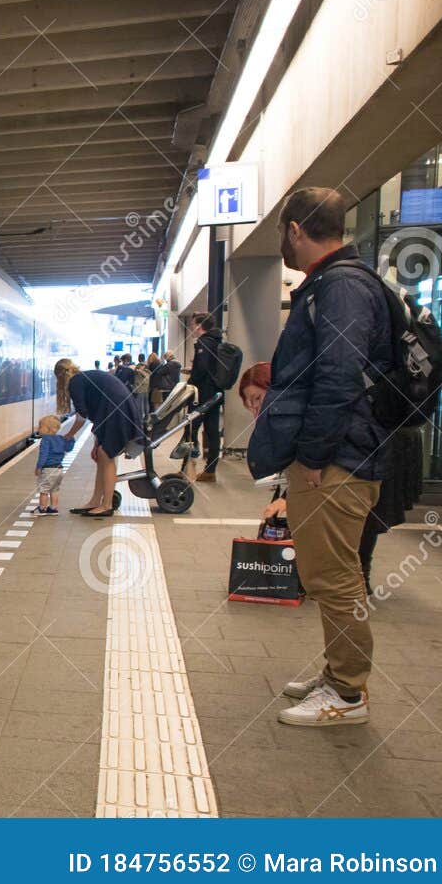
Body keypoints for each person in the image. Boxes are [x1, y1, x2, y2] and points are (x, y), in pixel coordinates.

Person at [247, 186, 394, 728]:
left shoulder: (341, 288)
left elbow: (337, 376)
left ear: (294, 229)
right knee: (330, 571)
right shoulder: (337, 284)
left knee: (333, 577)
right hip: (341, 454)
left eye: (282, 233)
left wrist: (311, 454)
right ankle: (337, 676)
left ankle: (348, 695)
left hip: (337, 460)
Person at [55, 358, 138, 517]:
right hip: (115, 412)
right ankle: (95, 501)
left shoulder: (75, 382)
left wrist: (68, 435)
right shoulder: (84, 378)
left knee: (106, 456)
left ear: (59, 376)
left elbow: (82, 415)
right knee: (100, 454)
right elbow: (96, 414)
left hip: (117, 414)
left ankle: (106, 505)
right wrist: (96, 443)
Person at [187, 314, 225, 483]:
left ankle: (187, 468)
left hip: (203, 394)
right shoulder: (217, 341)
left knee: (190, 428)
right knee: (212, 431)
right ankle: (210, 470)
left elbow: (201, 369)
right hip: (215, 393)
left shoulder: (204, 342)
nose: (191, 329)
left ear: (199, 325)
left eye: (193, 325)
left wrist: (190, 382)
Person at [33, 414, 73, 515]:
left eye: (40, 426)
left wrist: (39, 467)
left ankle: (42, 508)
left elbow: (43, 455)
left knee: (44, 490)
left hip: (48, 470)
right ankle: (53, 508)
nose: (38, 428)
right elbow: (69, 448)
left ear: (47, 429)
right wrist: (71, 439)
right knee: (55, 489)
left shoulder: (46, 440)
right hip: (59, 469)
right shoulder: (60, 438)